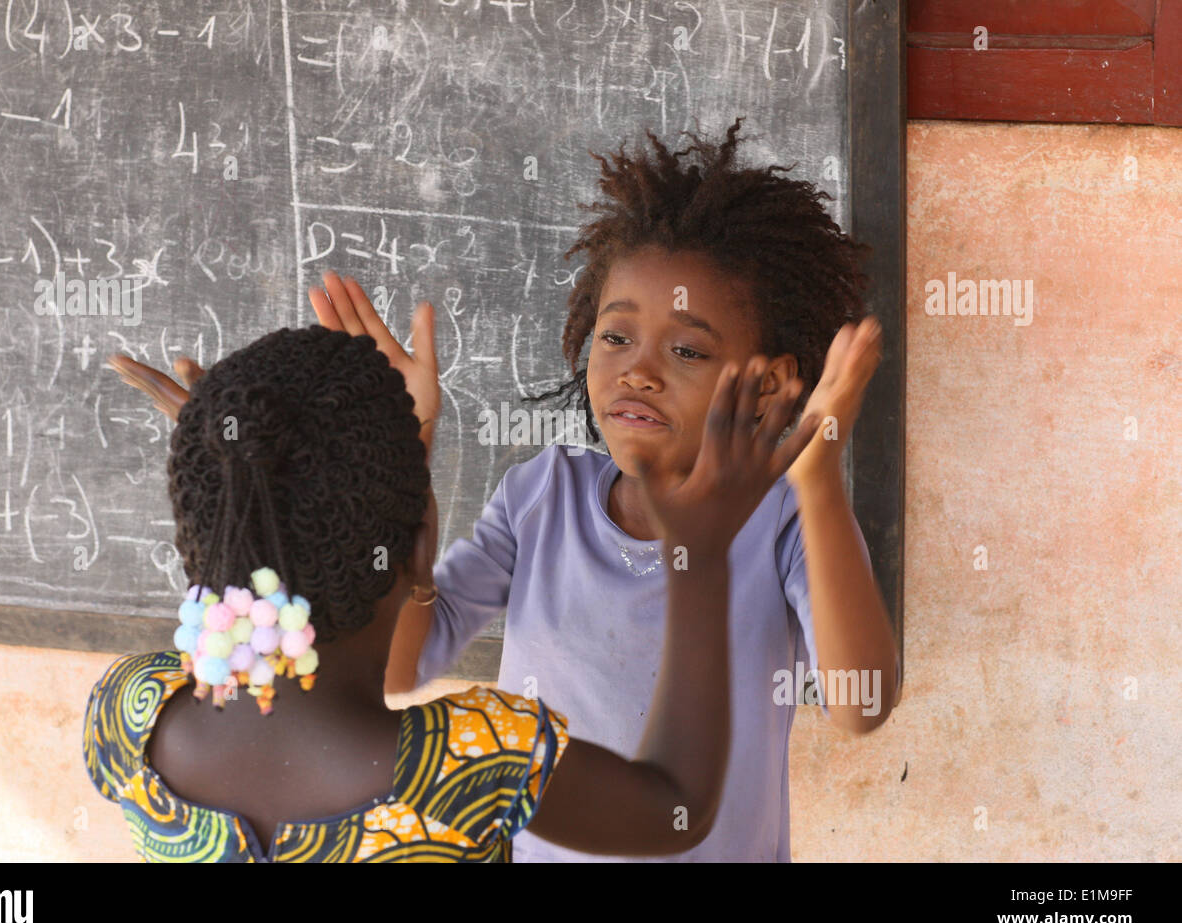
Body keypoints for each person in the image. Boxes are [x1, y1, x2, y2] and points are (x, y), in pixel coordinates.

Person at [110, 117, 900, 862]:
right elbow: (397, 668)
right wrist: (395, 454)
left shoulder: (786, 519)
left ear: (768, 390)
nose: (638, 369)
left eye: (688, 350)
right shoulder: (543, 495)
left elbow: (860, 702)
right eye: (616, 335)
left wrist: (820, 478)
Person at [87, 322, 817, 862]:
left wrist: (246, 492)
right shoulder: (471, 763)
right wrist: (699, 550)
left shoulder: (130, 715)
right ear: (420, 549)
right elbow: (675, 805)